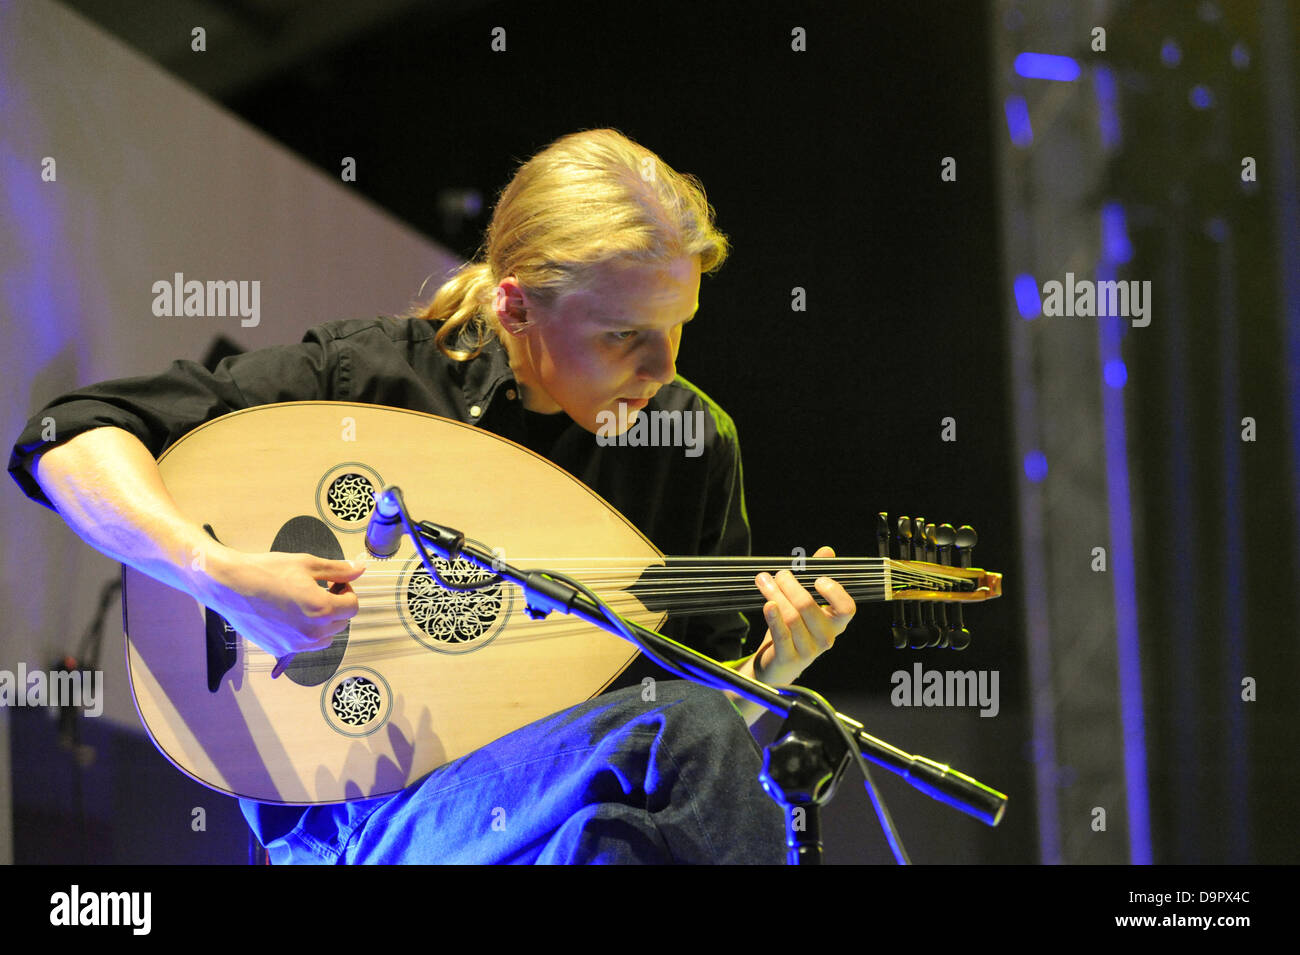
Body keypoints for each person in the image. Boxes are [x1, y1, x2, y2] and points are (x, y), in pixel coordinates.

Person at [8, 128, 856, 863]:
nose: (664, 368)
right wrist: (213, 570)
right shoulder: (374, 379)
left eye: (679, 327)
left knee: (617, 838)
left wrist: (774, 670)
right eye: (625, 335)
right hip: (346, 816)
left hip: (552, 810)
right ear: (517, 307)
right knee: (675, 735)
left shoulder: (689, 444)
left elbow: (700, 751)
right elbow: (66, 436)